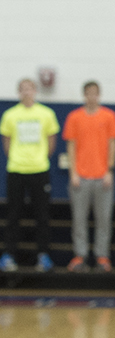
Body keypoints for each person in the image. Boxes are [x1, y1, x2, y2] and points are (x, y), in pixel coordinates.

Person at [62, 80, 115, 272]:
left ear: (99, 95)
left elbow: (113, 144)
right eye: (88, 93)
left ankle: (102, 256)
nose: (92, 96)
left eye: (95, 93)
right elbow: (70, 146)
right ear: (84, 95)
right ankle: (80, 256)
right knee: (79, 219)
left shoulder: (109, 116)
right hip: (80, 176)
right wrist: (73, 173)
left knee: (103, 219)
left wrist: (109, 171)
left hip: (102, 177)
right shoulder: (74, 117)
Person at [0, 78, 59, 272]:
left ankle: (43, 256)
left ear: (35, 91)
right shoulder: (10, 115)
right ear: (19, 92)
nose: (27, 92)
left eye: (30, 88)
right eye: (23, 89)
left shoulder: (46, 114)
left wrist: (39, 158)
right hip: (16, 169)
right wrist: (18, 159)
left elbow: (51, 142)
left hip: (39, 169)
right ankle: (9, 256)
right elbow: (6, 143)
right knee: (13, 214)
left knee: (42, 215)